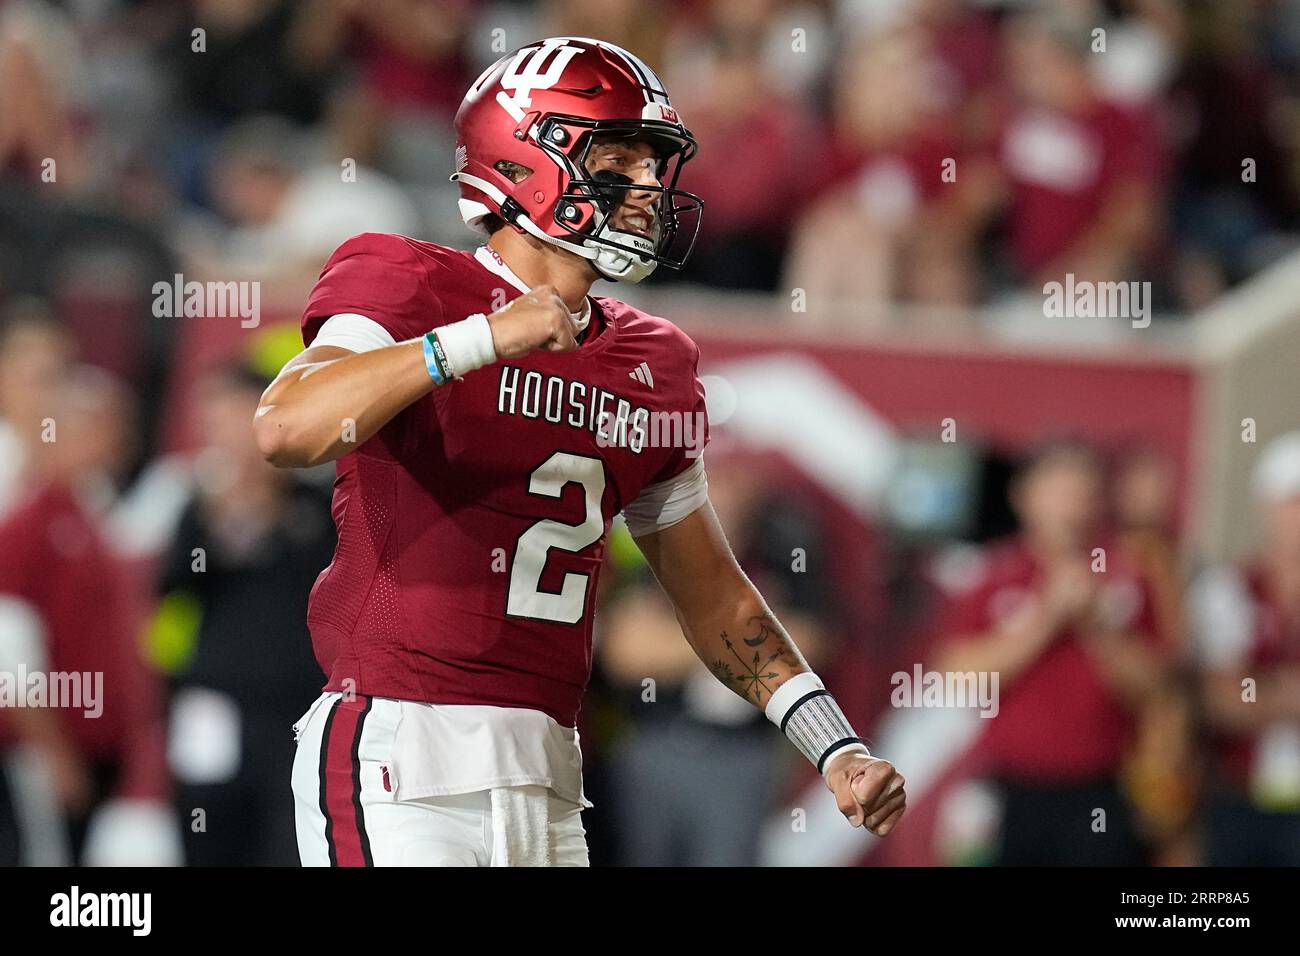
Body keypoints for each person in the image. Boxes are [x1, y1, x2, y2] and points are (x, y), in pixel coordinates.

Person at [253, 36, 905, 866]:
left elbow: (714, 597)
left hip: (551, 776)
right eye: (618, 159)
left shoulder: (656, 364)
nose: (645, 190)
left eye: (652, 165)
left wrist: (834, 745)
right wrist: (481, 338)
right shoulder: (409, 279)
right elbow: (288, 427)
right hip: (400, 748)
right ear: (524, 159)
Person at [932, 440, 1166, 865]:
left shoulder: (1128, 577)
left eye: (1083, 492)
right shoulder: (992, 575)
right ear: (1024, 497)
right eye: (1058, 491)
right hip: (1008, 787)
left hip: (1098, 789)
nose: (1070, 507)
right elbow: (958, 677)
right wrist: (1046, 619)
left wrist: (1097, 624)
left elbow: (1155, 689)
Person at [1192, 431, 1300, 865]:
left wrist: (1261, 690)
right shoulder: (1228, 588)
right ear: (1267, 506)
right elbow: (1221, 700)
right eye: (1291, 502)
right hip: (1240, 799)